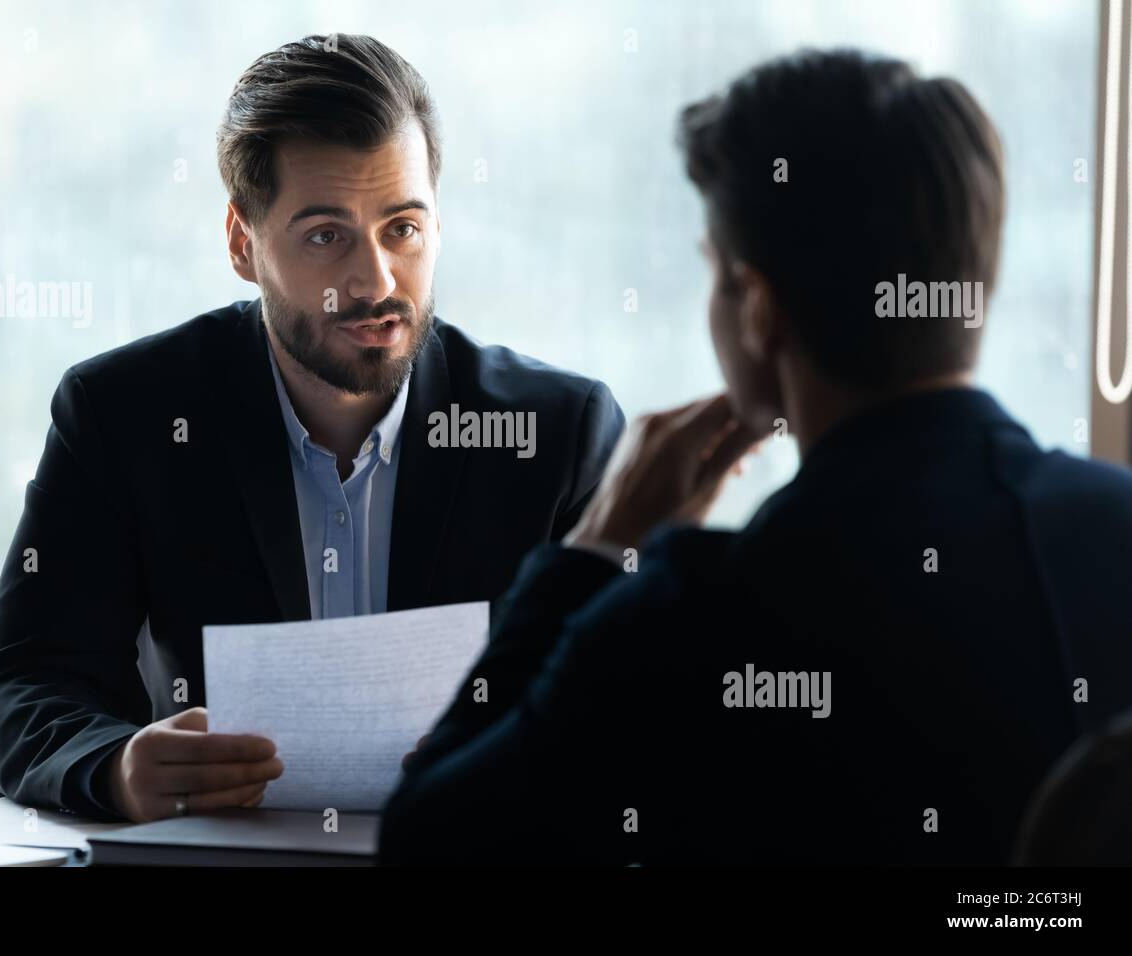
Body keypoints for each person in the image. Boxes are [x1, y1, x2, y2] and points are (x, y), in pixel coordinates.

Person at [379, 49, 1132, 865]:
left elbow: (429, 845)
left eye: (714, 274)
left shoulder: (696, 615)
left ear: (759, 310)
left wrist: (596, 550)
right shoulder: (1115, 531)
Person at [0, 34, 623, 824]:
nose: (374, 279)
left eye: (402, 228)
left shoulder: (555, 435)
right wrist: (115, 768)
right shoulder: (124, 415)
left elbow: (643, 703)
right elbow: (25, 687)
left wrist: (526, 760)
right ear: (244, 245)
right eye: (325, 235)